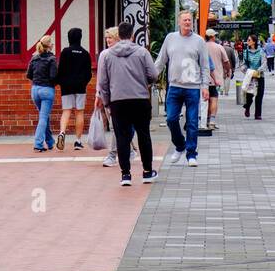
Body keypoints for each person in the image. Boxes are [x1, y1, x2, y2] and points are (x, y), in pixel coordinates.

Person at [96, 18, 158, 186]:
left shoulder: (107, 55)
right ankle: (147, 172)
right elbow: (153, 75)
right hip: (139, 99)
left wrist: (108, 102)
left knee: (122, 137)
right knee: (144, 135)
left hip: (118, 102)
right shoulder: (142, 52)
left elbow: (102, 82)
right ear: (131, 35)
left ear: (119, 35)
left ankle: (125, 175)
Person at [155, 10, 210, 167]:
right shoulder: (170, 38)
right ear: (178, 22)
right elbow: (160, 61)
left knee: (192, 122)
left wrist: (205, 86)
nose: (187, 22)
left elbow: (205, 66)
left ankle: (191, 154)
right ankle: (180, 145)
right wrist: (150, 76)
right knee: (171, 119)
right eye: (185, 20)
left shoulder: (199, 41)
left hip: (193, 88)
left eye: (189, 20)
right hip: (174, 86)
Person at [55, 26, 92, 150]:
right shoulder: (85, 53)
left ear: (69, 38)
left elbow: (60, 70)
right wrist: (83, 83)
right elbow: (89, 74)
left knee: (66, 111)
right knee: (79, 112)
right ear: (80, 38)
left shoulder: (65, 52)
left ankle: (62, 133)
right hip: (80, 87)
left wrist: (60, 82)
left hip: (66, 87)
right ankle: (78, 141)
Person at [95, 26, 122, 167]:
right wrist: (98, 94)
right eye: (106, 38)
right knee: (117, 125)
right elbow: (101, 77)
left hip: (116, 95)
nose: (107, 40)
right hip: (109, 94)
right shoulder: (105, 54)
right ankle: (130, 150)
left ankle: (112, 155)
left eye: (110, 37)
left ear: (117, 37)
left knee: (115, 126)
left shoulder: (111, 54)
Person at [26, 35, 57, 152]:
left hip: (35, 90)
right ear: (50, 45)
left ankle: (49, 142)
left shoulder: (34, 58)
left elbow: (29, 75)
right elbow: (53, 76)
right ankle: (38, 144)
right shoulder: (52, 59)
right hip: (47, 90)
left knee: (44, 117)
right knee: (43, 117)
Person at [204, 28, 230, 129]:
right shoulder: (219, 47)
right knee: (214, 99)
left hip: (204, 78)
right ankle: (212, 122)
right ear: (213, 36)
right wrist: (227, 71)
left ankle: (205, 120)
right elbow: (226, 61)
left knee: (205, 100)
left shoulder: (202, 47)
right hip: (216, 78)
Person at [242, 33, 268, 120]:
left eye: (249, 40)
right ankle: (247, 106)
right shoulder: (246, 52)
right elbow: (244, 64)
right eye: (247, 40)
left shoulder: (261, 51)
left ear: (254, 42)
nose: (247, 41)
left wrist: (258, 71)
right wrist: (245, 70)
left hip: (260, 76)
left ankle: (258, 114)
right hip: (250, 77)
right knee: (249, 95)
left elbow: (264, 63)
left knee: (259, 95)